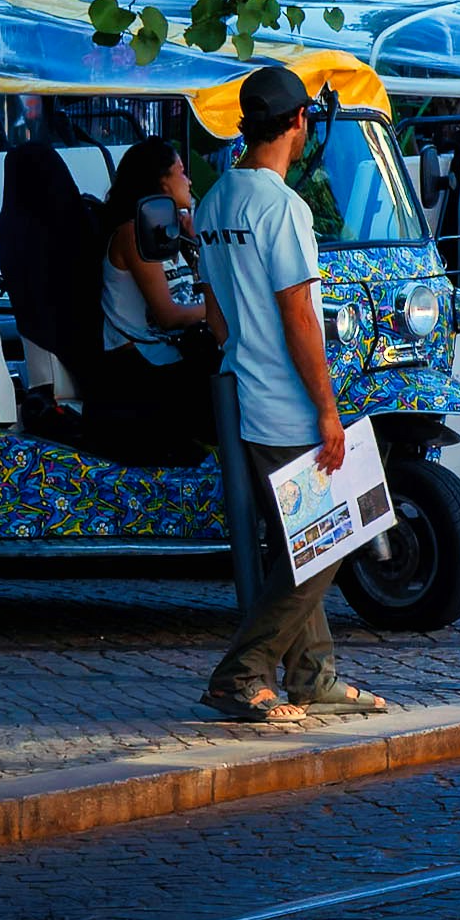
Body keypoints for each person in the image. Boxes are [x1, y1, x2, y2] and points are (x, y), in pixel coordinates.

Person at [199, 63, 378, 728]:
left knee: (299, 544)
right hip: (289, 403)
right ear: (299, 121)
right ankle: (241, 673)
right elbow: (300, 314)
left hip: (245, 393)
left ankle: (311, 676)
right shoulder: (282, 207)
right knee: (325, 546)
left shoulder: (217, 200)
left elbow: (217, 318)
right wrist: (329, 410)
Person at [79, 137, 222, 464]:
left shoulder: (167, 233)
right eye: (182, 172)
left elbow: (198, 289)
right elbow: (169, 314)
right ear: (162, 183)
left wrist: (195, 239)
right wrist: (218, 311)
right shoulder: (133, 233)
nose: (188, 181)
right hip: (137, 366)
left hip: (171, 354)